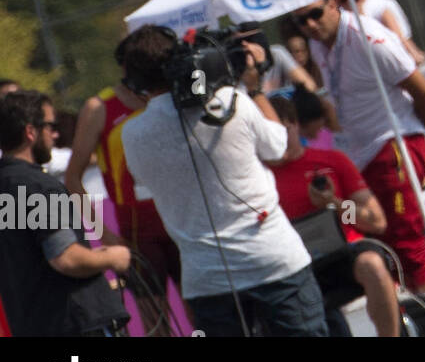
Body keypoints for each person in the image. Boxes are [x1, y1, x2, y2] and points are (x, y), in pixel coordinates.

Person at [118, 25, 328, 337]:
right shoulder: (232, 101)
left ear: (135, 82)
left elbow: (145, 183)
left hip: (207, 282)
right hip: (275, 262)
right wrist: (254, 88)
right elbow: (278, 146)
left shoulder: (132, 135)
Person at [291, 0, 425, 295]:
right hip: (354, 152)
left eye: (314, 14)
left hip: (391, 143)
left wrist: (421, 136)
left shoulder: (371, 40)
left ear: (334, 5)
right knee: (358, 227)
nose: (310, 25)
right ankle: (395, 301)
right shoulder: (316, 42)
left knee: (404, 232)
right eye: (301, 21)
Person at [65, 36, 183, 336]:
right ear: (125, 66)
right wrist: (104, 233)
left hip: (182, 219)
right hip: (137, 232)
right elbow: (72, 178)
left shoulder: (169, 95)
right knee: (157, 324)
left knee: (203, 316)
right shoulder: (99, 107)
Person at [0, 89, 132, 337]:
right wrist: (113, 258)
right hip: (74, 322)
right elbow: (65, 258)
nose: (55, 134)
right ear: (30, 132)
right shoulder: (37, 185)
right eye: (50, 125)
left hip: (29, 324)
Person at [267, 96, 400, 337]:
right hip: (297, 268)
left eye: (283, 131)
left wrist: (335, 204)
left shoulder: (332, 161)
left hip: (343, 254)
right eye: (270, 135)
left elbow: (376, 222)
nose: (278, 141)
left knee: (372, 265)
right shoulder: (259, 179)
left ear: (295, 125)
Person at [351, 0, 425, 64]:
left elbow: (398, 36)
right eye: (342, 1)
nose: (350, 4)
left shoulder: (380, 4)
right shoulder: (343, 14)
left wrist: (413, 53)